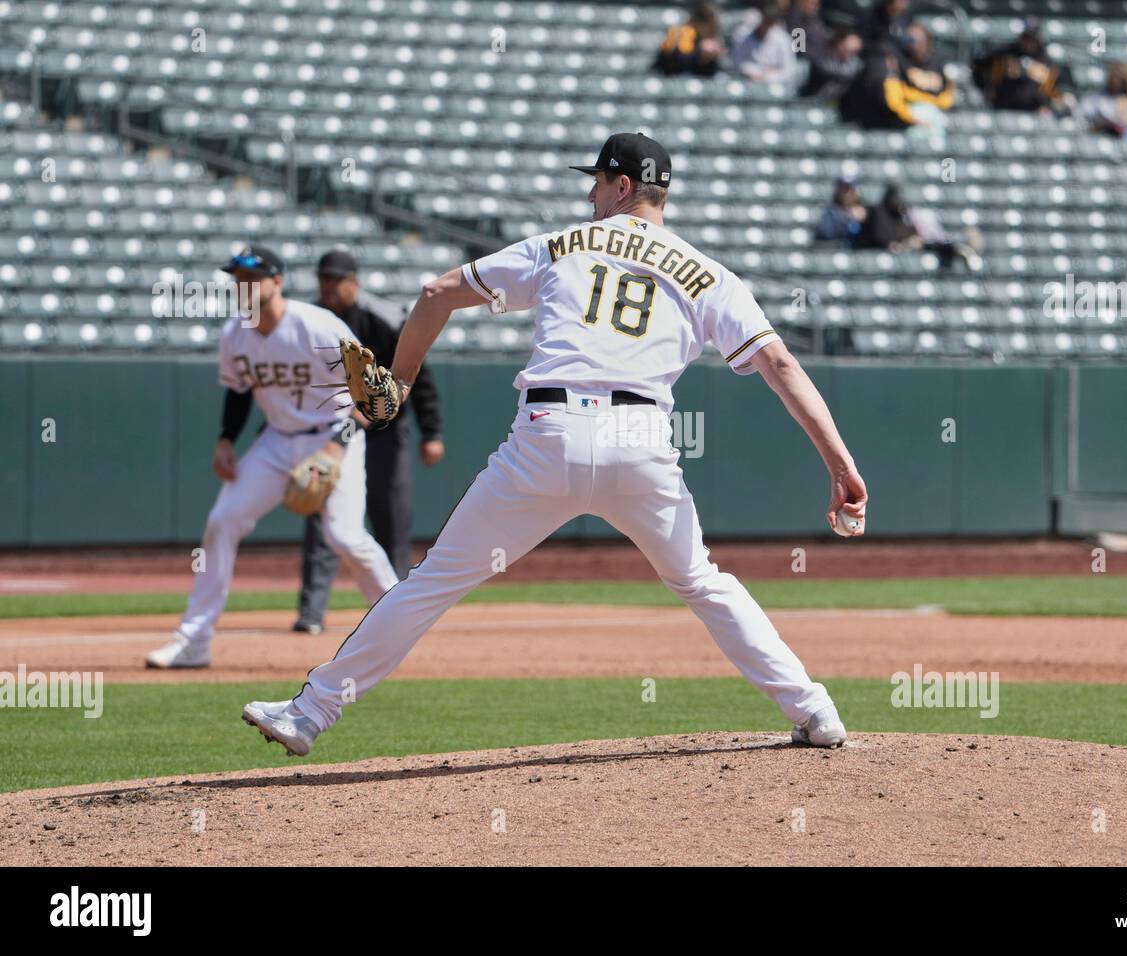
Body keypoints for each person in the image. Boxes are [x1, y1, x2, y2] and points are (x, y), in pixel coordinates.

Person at [241, 132, 868, 756]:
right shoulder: (707, 272)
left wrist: (399, 383)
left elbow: (435, 294)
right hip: (641, 443)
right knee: (703, 582)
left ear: (624, 187)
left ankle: (310, 712)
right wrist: (840, 464)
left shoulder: (559, 245)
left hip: (548, 436)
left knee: (432, 582)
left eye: (597, 181)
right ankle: (813, 709)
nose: (590, 193)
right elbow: (780, 363)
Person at [146, 245, 398, 669]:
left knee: (344, 535)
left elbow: (373, 398)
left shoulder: (319, 328)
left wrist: (337, 447)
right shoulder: (235, 334)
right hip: (277, 441)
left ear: (276, 282)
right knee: (222, 522)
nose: (242, 286)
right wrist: (225, 440)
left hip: (334, 435)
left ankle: (399, 620)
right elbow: (240, 389)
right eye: (237, 279)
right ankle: (193, 641)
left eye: (251, 279)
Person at [292, 249, 445, 635]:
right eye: (323, 279)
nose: (328, 286)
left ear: (354, 282)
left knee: (389, 517)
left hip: (385, 433)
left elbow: (416, 376)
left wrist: (433, 432)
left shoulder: (383, 319)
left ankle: (395, 609)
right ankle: (311, 612)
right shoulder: (311, 322)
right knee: (324, 518)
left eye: (335, 279)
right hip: (333, 435)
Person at [839, 23, 954, 132]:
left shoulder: (938, 63)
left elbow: (947, 98)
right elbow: (893, 102)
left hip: (931, 113)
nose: (913, 44)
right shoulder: (895, 59)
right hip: (901, 120)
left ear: (927, 41)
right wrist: (914, 118)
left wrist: (926, 103)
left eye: (917, 40)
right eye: (909, 39)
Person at [859, 184, 982, 269]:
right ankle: (956, 247)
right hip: (903, 246)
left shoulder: (904, 214)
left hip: (918, 242)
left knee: (931, 242)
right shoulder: (880, 213)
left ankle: (957, 247)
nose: (899, 203)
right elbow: (883, 236)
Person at [971, 19, 1071, 114]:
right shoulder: (1005, 53)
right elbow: (977, 67)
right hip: (1003, 107)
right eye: (1025, 38)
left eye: (1031, 39)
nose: (1027, 43)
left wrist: (1047, 105)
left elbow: (1055, 87)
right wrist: (985, 89)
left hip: (1034, 111)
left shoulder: (1046, 60)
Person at [730, 3, 798, 86]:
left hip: (776, 86)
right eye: (764, 22)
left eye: (769, 23)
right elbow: (738, 62)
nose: (765, 26)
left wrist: (768, 76)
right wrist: (756, 72)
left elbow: (789, 70)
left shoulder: (783, 39)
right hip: (748, 83)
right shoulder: (743, 34)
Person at [653, 3, 726, 77]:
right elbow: (674, 63)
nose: (714, 27)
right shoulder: (681, 33)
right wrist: (699, 55)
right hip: (673, 76)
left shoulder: (712, 39)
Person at [799, 26, 863, 102]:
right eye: (847, 49)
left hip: (837, 104)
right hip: (812, 99)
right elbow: (824, 69)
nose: (850, 54)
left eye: (854, 52)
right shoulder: (822, 56)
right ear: (839, 43)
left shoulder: (855, 63)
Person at [813, 175, 869, 245]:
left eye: (851, 189)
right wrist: (848, 218)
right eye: (845, 189)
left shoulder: (866, 211)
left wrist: (865, 221)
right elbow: (827, 233)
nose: (848, 193)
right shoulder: (829, 212)